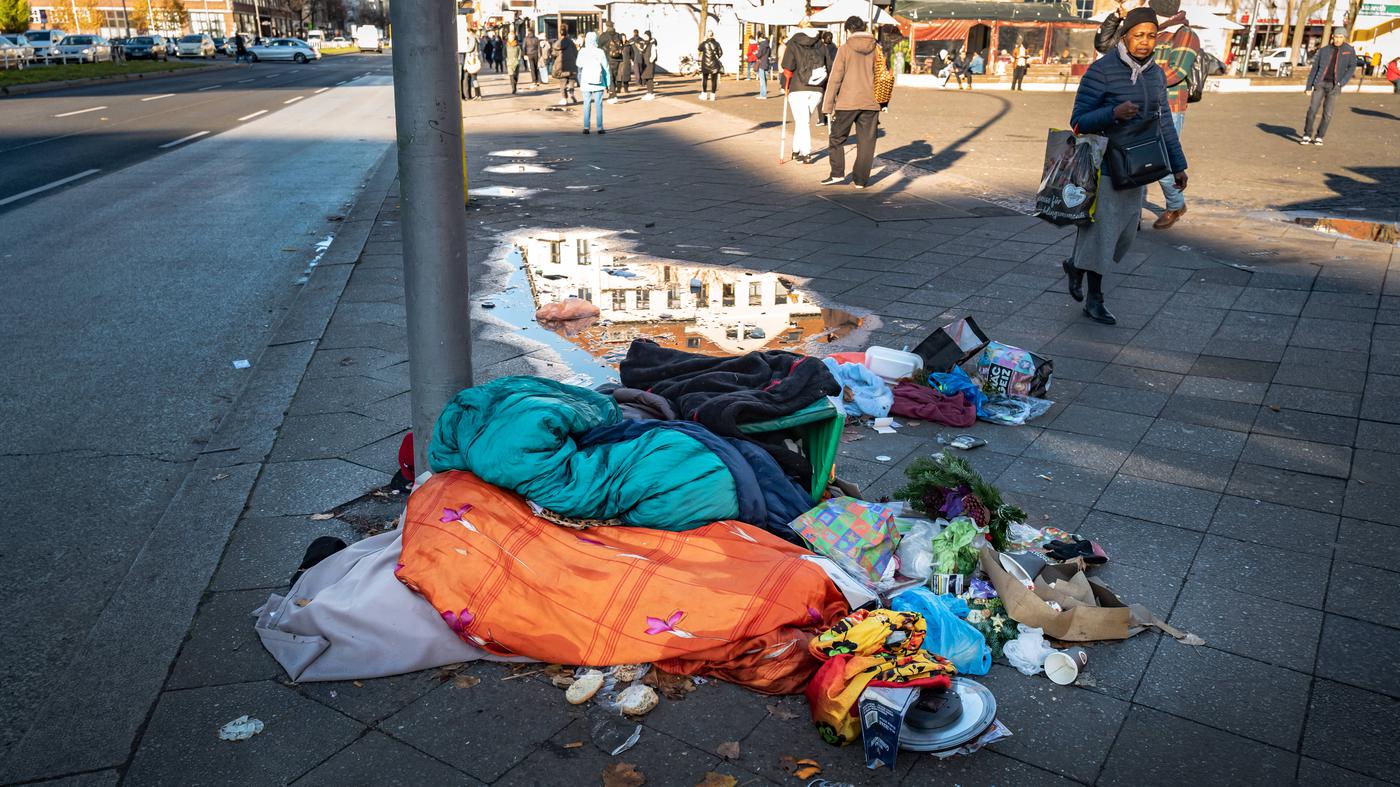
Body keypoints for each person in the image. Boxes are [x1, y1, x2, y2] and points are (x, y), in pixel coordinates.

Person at [1065, 7, 1186, 325]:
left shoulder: (1155, 74)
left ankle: (1076, 265)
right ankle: (1095, 300)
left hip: (1138, 168)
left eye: (1151, 36)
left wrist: (1178, 166)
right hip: (1105, 166)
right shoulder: (1102, 70)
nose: (1145, 41)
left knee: (1122, 235)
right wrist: (1113, 113)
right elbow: (1078, 122)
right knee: (1103, 234)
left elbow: (1164, 123)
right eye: (1138, 35)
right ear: (1125, 36)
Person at [1094, 0, 1199, 230]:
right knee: (1134, 157)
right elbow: (1105, 46)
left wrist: (1138, 82)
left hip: (1169, 106)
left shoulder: (1184, 34)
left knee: (1157, 157)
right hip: (1137, 105)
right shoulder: (1149, 32)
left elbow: (1177, 71)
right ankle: (1133, 215)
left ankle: (1175, 204)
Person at [821, 16, 883, 189]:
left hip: (847, 102)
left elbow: (835, 78)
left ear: (848, 30)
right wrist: (883, 102)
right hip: (871, 102)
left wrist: (827, 105)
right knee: (867, 142)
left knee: (836, 137)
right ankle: (861, 180)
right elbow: (883, 76)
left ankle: (837, 173)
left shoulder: (845, 49)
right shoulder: (877, 48)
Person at [781, 21, 830, 164]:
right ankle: (796, 150)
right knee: (802, 120)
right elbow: (829, 65)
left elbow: (787, 66)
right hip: (817, 89)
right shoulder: (820, 44)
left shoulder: (793, 42)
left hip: (798, 87)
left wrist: (784, 85)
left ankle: (806, 153)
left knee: (803, 121)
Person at [1301, 29, 1357, 145]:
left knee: (1328, 114)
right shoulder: (1324, 50)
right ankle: (1307, 134)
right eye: (1336, 37)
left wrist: (1341, 83)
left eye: (1340, 37)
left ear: (1344, 38)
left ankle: (1319, 136)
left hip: (1334, 86)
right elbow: (1314, 69)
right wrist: (1308, 86)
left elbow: (1352, 68)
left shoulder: (1349, 51)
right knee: (1312, 110)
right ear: (1332, 36)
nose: (1338, 39)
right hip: (1320, 84)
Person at [576, 31, 611, 134]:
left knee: (586, 103)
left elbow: (579, 64)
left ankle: (586, 127)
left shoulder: (582, 51)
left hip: (586, 81)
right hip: (598, 82)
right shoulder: (600, 51)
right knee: (598, 104)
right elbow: (606, 67)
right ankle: (600, 127)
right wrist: (608, 83)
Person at [598, 22, 626, 103]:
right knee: (614, 76)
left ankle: (612, 95)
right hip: (618, 59)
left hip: (608, 58)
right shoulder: (618, 35)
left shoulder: (604, 36)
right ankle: (613, 93)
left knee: (610, 76)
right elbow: (622, 45)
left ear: (606, 26)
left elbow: (599, 47)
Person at [817, 30, 837, 125]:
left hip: (823, 75)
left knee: (822, 96)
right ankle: (834, 116)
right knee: (833, 96)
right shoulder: (835, 48)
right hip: (833, 74)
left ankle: (822, 118)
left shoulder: (820, 47)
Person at [556, 26, 579, 105]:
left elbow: (554, 53)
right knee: (571, 80)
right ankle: (571, 93)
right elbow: (576, 53)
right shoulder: (571, 42)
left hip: (562, 64)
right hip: (571, 64)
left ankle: (564, 98)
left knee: (563, 81)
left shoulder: (558, 43)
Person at [699, 30, 723, 100]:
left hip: (705, 64)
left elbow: (699, 49)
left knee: (705, 79)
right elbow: (720, 53)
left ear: (707, 35)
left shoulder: (704, 43)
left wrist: (703, 40)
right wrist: (715, 58)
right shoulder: (717, 43)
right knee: (714, 80)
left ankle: (704, 95)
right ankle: (713, 96)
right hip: (714, 64)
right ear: (713, 35)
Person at [461, 28, 483, 100]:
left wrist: (463, 47)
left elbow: (470, 48)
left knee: (474, 78)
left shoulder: (472, 37)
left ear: (469, 31)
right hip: (473, 60)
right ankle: (477, 95)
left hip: (472, 60)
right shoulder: (474, 37)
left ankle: (478, 95)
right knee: (474, 78)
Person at [638, 31, 658, 99]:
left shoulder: (652, 44)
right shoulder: (645, 44)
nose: (645, 37)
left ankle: (651, 93)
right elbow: (643, 51)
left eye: (646, 36)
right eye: (644, 36)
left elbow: (654, 54)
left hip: (649, 64)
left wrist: (650, 61)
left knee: (650, 78)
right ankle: (649, 92)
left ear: (649, 36)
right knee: (647, 78)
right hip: (645, 64)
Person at [754, 33, 772, 99]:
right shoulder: (767, 45)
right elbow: (769, 54)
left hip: (761, 63)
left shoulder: (762, 45)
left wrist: (756, 53)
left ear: (760, 38)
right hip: (766, 63)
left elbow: (759, 55)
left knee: (762, 80)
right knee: (764, 79)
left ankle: (763, 95)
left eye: (758, 38)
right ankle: (763, 94)